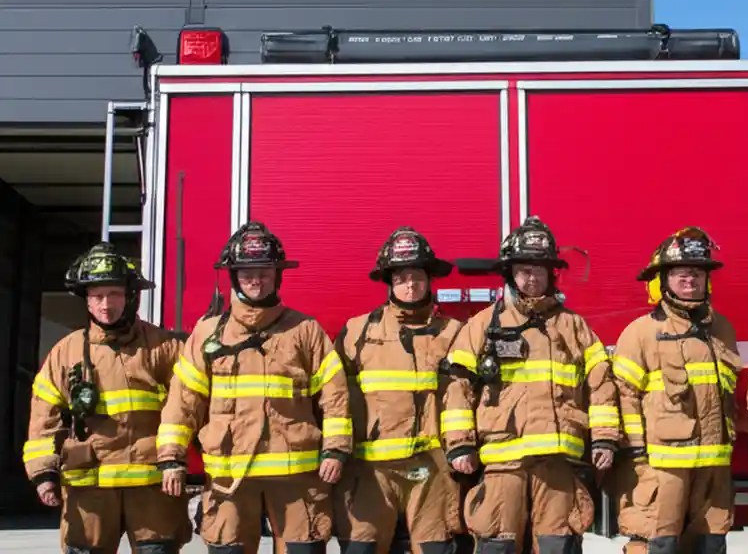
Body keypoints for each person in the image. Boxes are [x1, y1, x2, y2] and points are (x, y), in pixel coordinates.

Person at [157, 221, 352, 554]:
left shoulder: (305, 330)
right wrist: (171, 457)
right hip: (228, 477)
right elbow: (183, 402)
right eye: (246, 272)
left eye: (264, 271)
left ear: (277, 274)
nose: (256, 280)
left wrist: (336, 448)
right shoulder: (208, 334)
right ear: (233, 277)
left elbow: (334, 397)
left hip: (296, 475)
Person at [441, 216, 619, 554]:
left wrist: (605, 438)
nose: (532, 276)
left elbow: (602, 385)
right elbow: (458, 389)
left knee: (558, 546)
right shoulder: (482, 326)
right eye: (524, 269)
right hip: (501, 465)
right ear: (510, 273)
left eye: (539, 268)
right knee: (498, 546)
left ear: (551, 273)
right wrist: (460, 445)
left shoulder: (574, 327)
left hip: (558, 465)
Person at [24, 242, 191, 554]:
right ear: (86, 301)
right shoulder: (67, 351)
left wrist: (183, 461)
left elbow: (188, 407)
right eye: (97, 296)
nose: (105, 305)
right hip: (90, 492)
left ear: (130, 296)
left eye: (113, 294)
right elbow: (43, 419)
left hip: (152, 489)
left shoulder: (164, 347)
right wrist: (43, 473)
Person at [334, 227, 468, 554]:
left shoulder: (453, 333)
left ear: (429, 280)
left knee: (437, 547)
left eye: (417, 277)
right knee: (360, 548)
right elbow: (334, 398)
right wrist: (336, 449)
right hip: (371, 471)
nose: (411, 285)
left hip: (432, 469)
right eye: (402, 277)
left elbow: (463, 395)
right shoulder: (357, 331)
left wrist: (462, 446)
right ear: (389, 282)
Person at [611, 226, 742, 554]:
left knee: (711, 545)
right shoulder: (641, 333)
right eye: (680, 274)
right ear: (662, 281)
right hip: (661, 470)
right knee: (657, 544)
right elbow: (624, 399)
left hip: (713, 472)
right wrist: (637, 459)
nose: (690, 280)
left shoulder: (722, 328)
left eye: (697, 273)